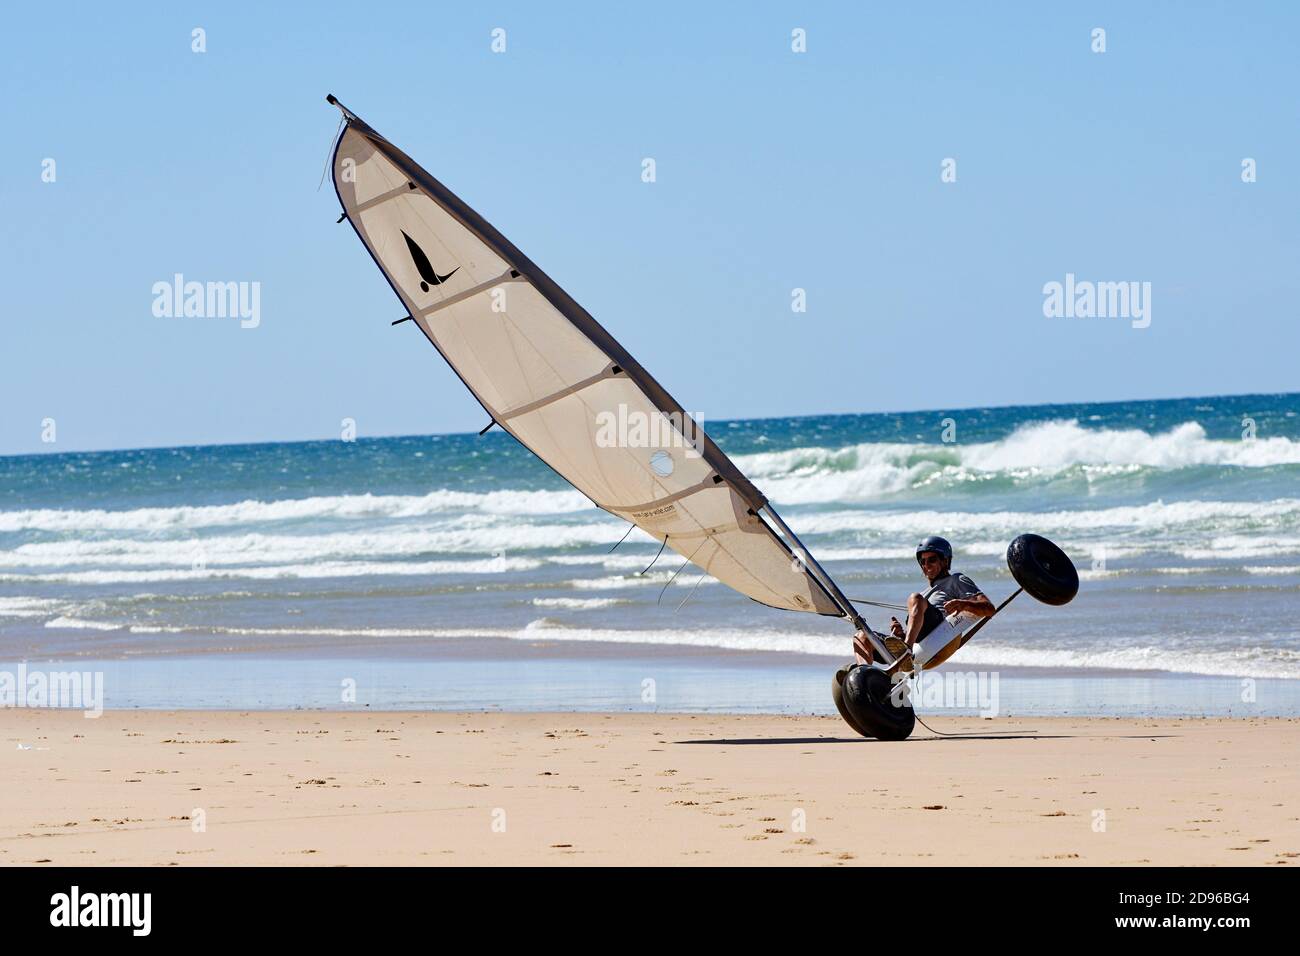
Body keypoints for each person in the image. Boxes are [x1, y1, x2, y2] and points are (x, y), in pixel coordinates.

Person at [881, 535, 994, 671]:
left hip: (937, 629)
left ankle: (906, 651)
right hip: (919, 642)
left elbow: (989, 608)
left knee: (915, 598)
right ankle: (860, 673)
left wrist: (964, 604)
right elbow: (919, 634)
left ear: (945, 561)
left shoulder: (956, 579)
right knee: (862, 636)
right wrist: (900, 634)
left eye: (932, 560)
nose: (926, 565)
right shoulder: (922, 596)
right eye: (922, 562)